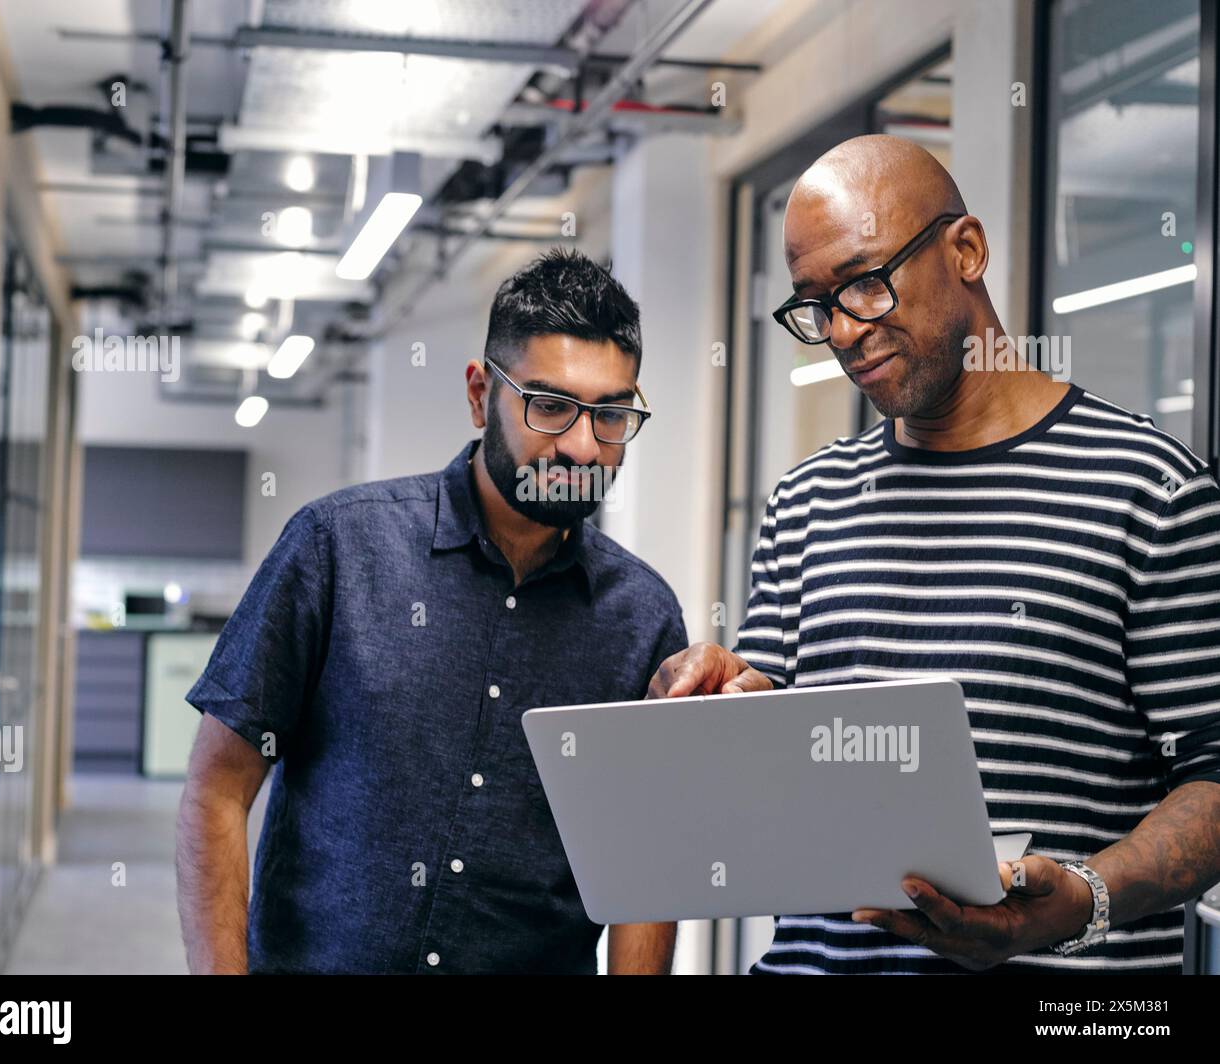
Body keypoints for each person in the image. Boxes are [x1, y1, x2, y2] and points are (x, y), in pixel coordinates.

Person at [649, 134, 1220, 973]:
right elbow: (766, 749)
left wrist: (1079, 899)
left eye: (866, 283)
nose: (843, 329)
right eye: (816, 304)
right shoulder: (807, 501)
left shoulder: (1148, 489)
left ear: (967, 249)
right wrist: (719, 706)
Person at [177, 248, 686, 974]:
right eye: (549, 406)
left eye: (610, 415)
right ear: (482, 395)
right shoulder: (337, 548)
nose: (581, 445)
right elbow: (217, 789)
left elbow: (643, 861)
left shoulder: (642, 618)